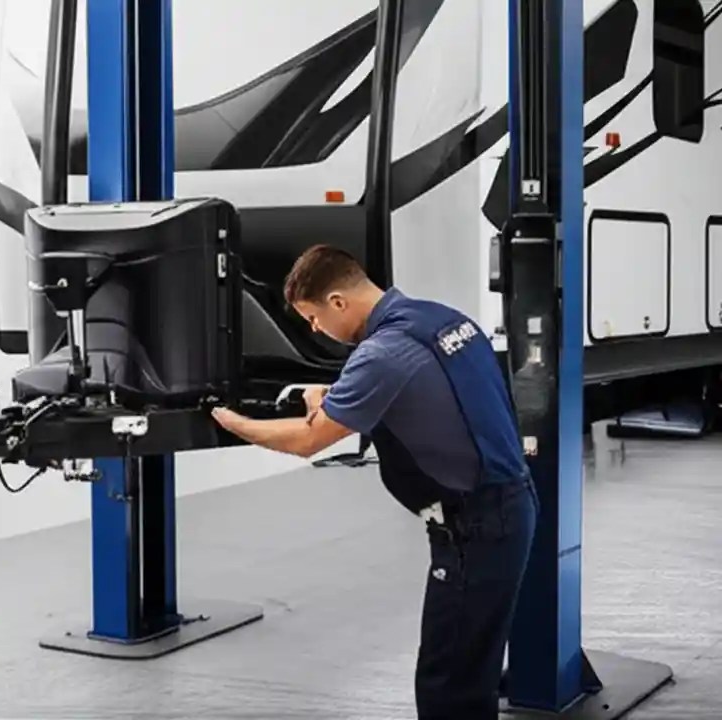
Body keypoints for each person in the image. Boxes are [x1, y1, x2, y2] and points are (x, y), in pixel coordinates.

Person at [211, 245, 538, 719]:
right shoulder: (441, 319)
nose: (315, 330)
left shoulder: (384, 353)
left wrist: (232, 422)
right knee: (471, 668)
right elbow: (414, 399)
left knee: (449, 683)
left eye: (313, 317)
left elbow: (308, 441)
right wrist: (329, 399)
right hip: (507, 507)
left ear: (338, 302)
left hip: (477, 528)